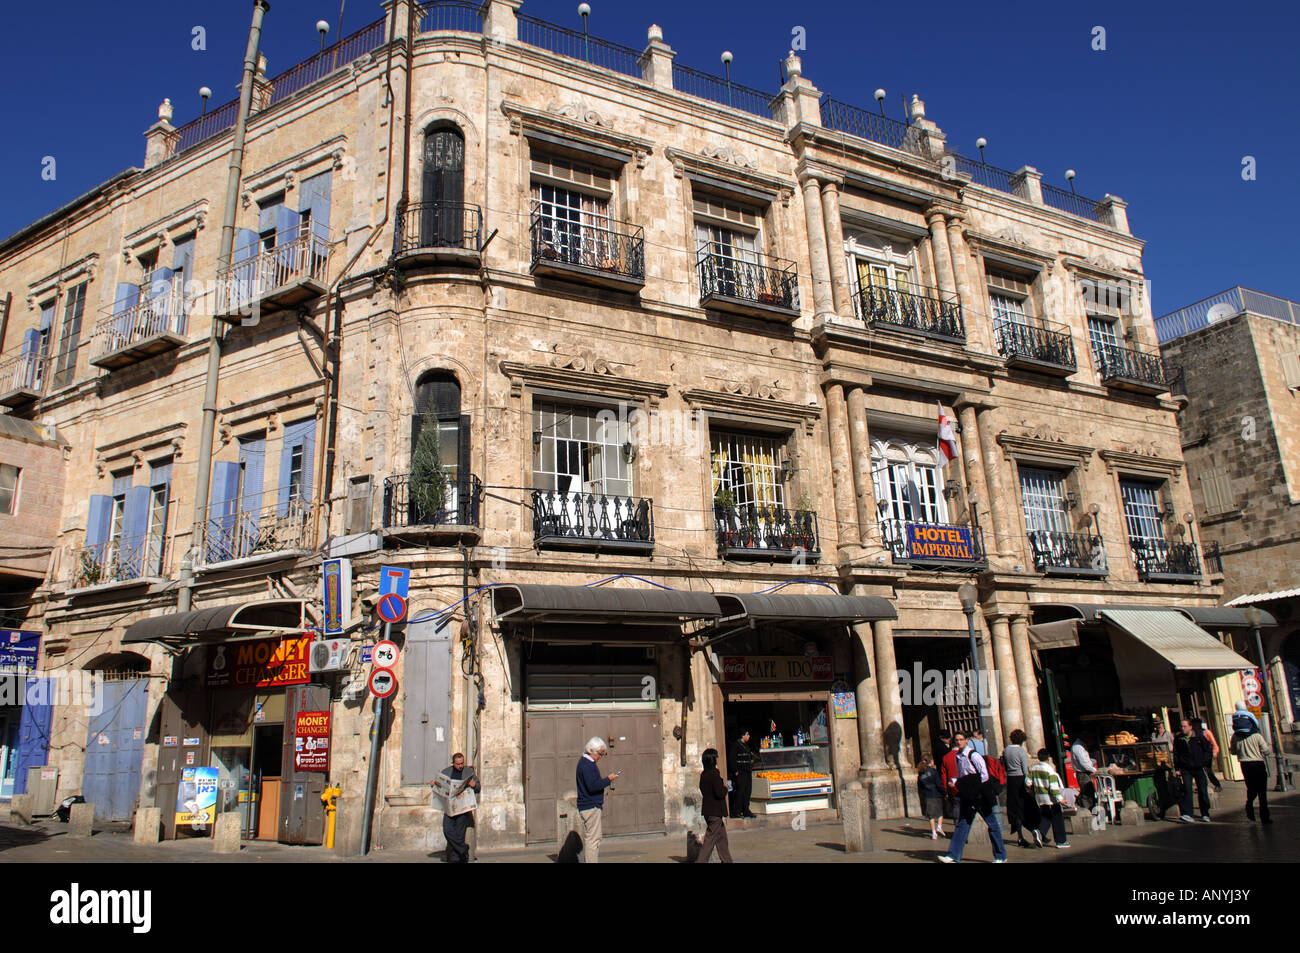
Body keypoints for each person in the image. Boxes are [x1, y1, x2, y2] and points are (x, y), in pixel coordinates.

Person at [937, 731, 1007, 864]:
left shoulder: (973, 755)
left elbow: (984, 775)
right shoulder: (958, 756)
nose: (958, 742)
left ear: (967, 740)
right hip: (968, 796)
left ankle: (1001, 856)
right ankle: (953, 855)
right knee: (962, 824)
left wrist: (973, 788)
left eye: (961, 739)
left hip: (979, 796)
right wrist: (955, 781)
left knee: (992, 824)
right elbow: (962, 775)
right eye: (956, 740)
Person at [576, 737, 621, 863]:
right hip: (590, 806)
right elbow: (592, 786)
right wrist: (608, 779)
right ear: (591, 751)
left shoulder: (585, 763)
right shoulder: (587, 765)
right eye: (599, 754)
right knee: (593, 840)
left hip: (588, 805)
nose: (600, 757)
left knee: (593, 838)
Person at [431, 752, 480, 863]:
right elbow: (439, 785)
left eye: (462, 763)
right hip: (449, 808)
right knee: (447, 830)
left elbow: (478, 787)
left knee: (459, 833)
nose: (460, 766)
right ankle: (463, 849)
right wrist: (434, 784)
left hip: (462, 808)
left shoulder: (469, 772)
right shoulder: (446, 772)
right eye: (458, 764)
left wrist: (474, 785)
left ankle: (456, 858)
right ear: (453, 763)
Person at [1025, 749, 1070, 849]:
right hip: (1050, 798)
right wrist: (1060, 798)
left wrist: (1030, 791)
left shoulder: (1034, 768)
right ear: (1048, 758)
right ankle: (1061, 841)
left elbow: (1027, 782)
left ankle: (1039, 832)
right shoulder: (1050, 770)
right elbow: (1053, 787)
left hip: (1039, 797)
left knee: (1046, 816)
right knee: (1057, 817)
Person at [1230, 718, 1271, 823]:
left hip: (1245, 766)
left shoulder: (1235, 737)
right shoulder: (1257, 736)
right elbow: (1266, 751)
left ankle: (1249, 806)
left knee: (1251, 789)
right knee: (1262, 792)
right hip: (1258, 764)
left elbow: (1233, 752)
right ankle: (1264, 817)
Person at [696, 748, 734, 862]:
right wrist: (726, 788)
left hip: (708, 811)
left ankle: (727, 860)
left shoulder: (704, 775)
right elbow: (719, 792)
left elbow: (703, 790)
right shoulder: (714, 774)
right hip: (715, 812)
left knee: (722, 838)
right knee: (710, 839)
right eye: (716, 758)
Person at [1173, 718, 1212, 822]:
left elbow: (1208, 750)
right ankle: (1187, 814)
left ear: (1190, 727)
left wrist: (1204, 762)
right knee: (1187, 790)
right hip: (1186, 768)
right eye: (1181, 726)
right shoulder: (1179, 738)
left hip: (1198, 767)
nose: (1182, 728)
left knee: (1202, 790)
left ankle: (1205, 813)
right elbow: (1176, 753)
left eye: (1184, 726)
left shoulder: (1199, 737)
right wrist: (1177, 768)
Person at [1002, 729, 1034, 848]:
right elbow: (1025, 769)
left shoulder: (1006, 750)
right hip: (1020, 779)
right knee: (1024, 806)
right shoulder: (1021, 751)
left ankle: (1020, 835)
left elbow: (1005, 765)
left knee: (1014, 807)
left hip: (1011, 780)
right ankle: (1033, 829)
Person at [917, 756, 945, 840]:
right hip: (935, 794)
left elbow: (920, 786)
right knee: (940, 812)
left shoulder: (921, 773)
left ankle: (933, 833)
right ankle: (939, 826)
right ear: (930, 762)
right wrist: (944, 792)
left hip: (927, 795)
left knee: (931, 816)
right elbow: (938, 784)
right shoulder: (933, 772)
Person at [728, 730, 755, 819]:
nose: (749, 736)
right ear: (742, 735)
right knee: (740, 792)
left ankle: (746, 810)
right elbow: (732, 758)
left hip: (747, 771)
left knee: (747, 791)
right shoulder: (736, 745)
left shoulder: (746, 746)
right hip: (740, 772)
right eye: (747, 734)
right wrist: (735, 771)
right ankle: (737, 811)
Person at [1070, 732, 1099, 812]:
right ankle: (1087, 811)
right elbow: (1083, 762)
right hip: (1083, 773)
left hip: (1086, 772)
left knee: (1089, 791)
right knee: (1087, 792)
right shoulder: (1078, 747)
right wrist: (1093, 770)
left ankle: (1090, 809)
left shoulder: (1082, 745)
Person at [1197, 719, 1223, 793]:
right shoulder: (1194, 733)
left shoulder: (1206, 732)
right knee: (1201, 772)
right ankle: (1203, 786)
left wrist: (1215, 752)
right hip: (1199, 755)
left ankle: (1217, 785)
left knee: (1209, 771)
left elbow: (1214, 743)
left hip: (1207, 755)